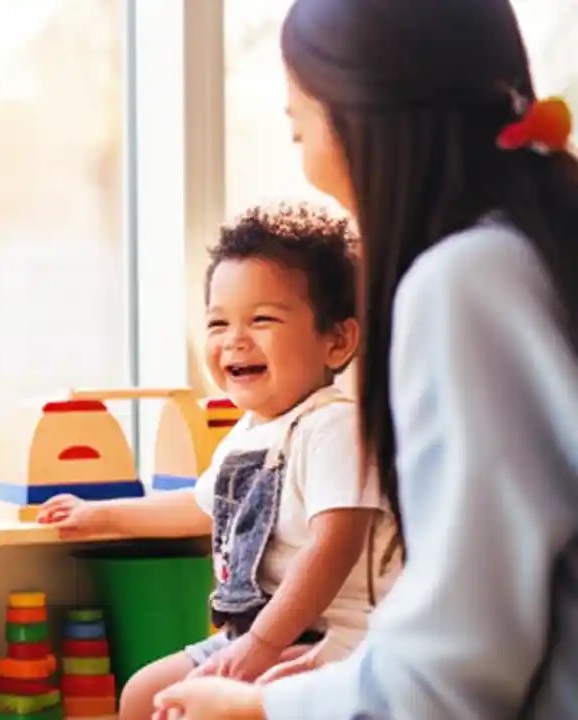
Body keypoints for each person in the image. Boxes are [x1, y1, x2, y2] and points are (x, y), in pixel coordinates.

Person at [152, 0, 578, 718]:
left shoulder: (467, 282)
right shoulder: (540, 248)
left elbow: (459, 664)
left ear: (358, 121)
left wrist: (256, 709)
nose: (307, 160)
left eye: (298, 127)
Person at [38, 203, 400, 720]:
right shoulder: (249, 433)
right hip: (254, 632)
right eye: (217, 322)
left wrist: (262, 645)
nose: (234, 338)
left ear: (336, 340)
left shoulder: (333, 426)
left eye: (261, 319)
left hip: (339, 641)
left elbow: (334, 545)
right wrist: (104, 515)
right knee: (144, 695)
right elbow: (202, 507)